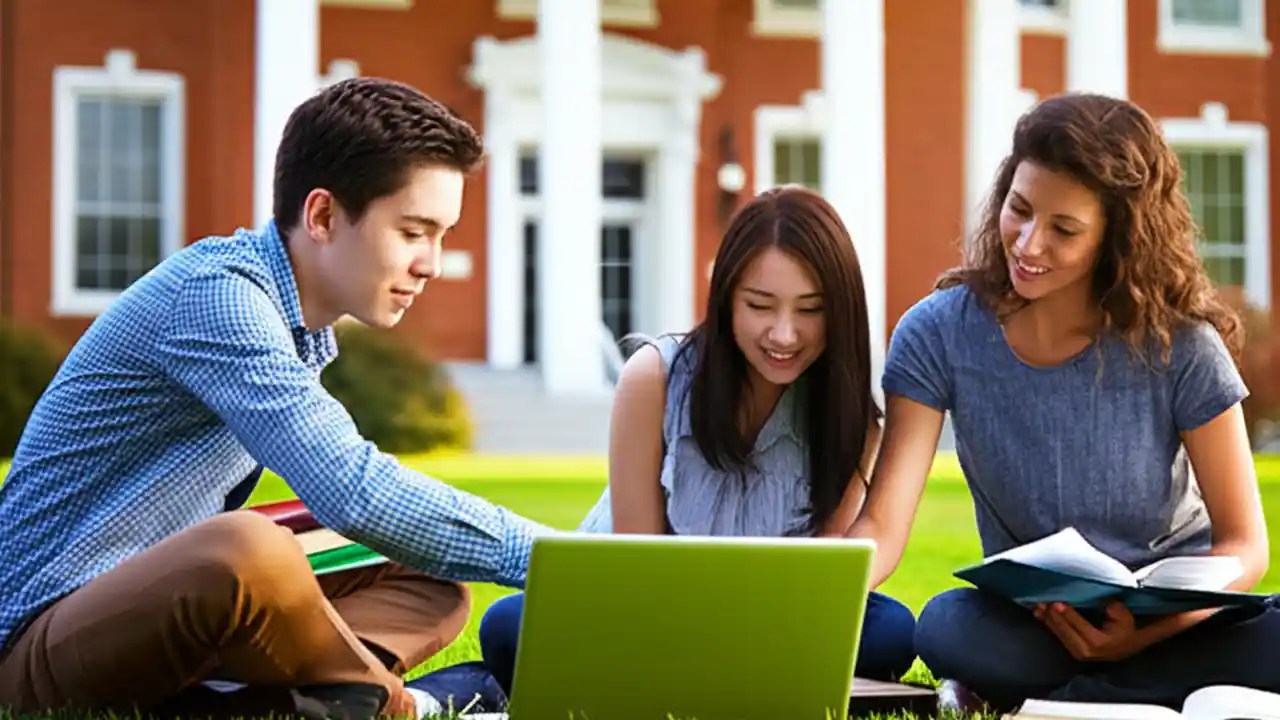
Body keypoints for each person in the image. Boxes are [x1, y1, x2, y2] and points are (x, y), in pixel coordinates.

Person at [0, 78, 549, 719]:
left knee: (423, 569)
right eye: (413, 232)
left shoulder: (297, 326)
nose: (431, 262)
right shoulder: (217, 298)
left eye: (441, 235)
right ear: (321, 216)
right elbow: (353, 488)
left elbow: (364, 506)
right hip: (39, 637)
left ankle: (263, 704)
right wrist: (563, 563)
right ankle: (400, 708)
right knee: (248, 550)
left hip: (157, 621)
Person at [844, 92, 1280, 712]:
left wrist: (1144, 633)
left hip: (1177, 622)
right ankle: (1116, 695)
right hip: (1038, 628)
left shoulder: (1182, 346)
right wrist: (804, 597)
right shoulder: (937, 334)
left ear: (1117, 239)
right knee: (947, 627)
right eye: (1018, 210)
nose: (1027, 243)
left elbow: (1245, 546)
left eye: (1064, 230)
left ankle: (1071, 698)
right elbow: (883, 526)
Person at [477, 186, 919, 699]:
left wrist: (758, 626)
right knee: (511, 624)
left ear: (838, 311)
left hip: (769, 613)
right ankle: (719, 671)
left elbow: (824, 579)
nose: (784, 334)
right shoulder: (655, 378)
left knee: (890, 632)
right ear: (727, 298)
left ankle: (686, 671)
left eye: (809, 310)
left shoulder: (850, 419)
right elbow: (637, 560)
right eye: (760, 305)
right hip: (641, 600)